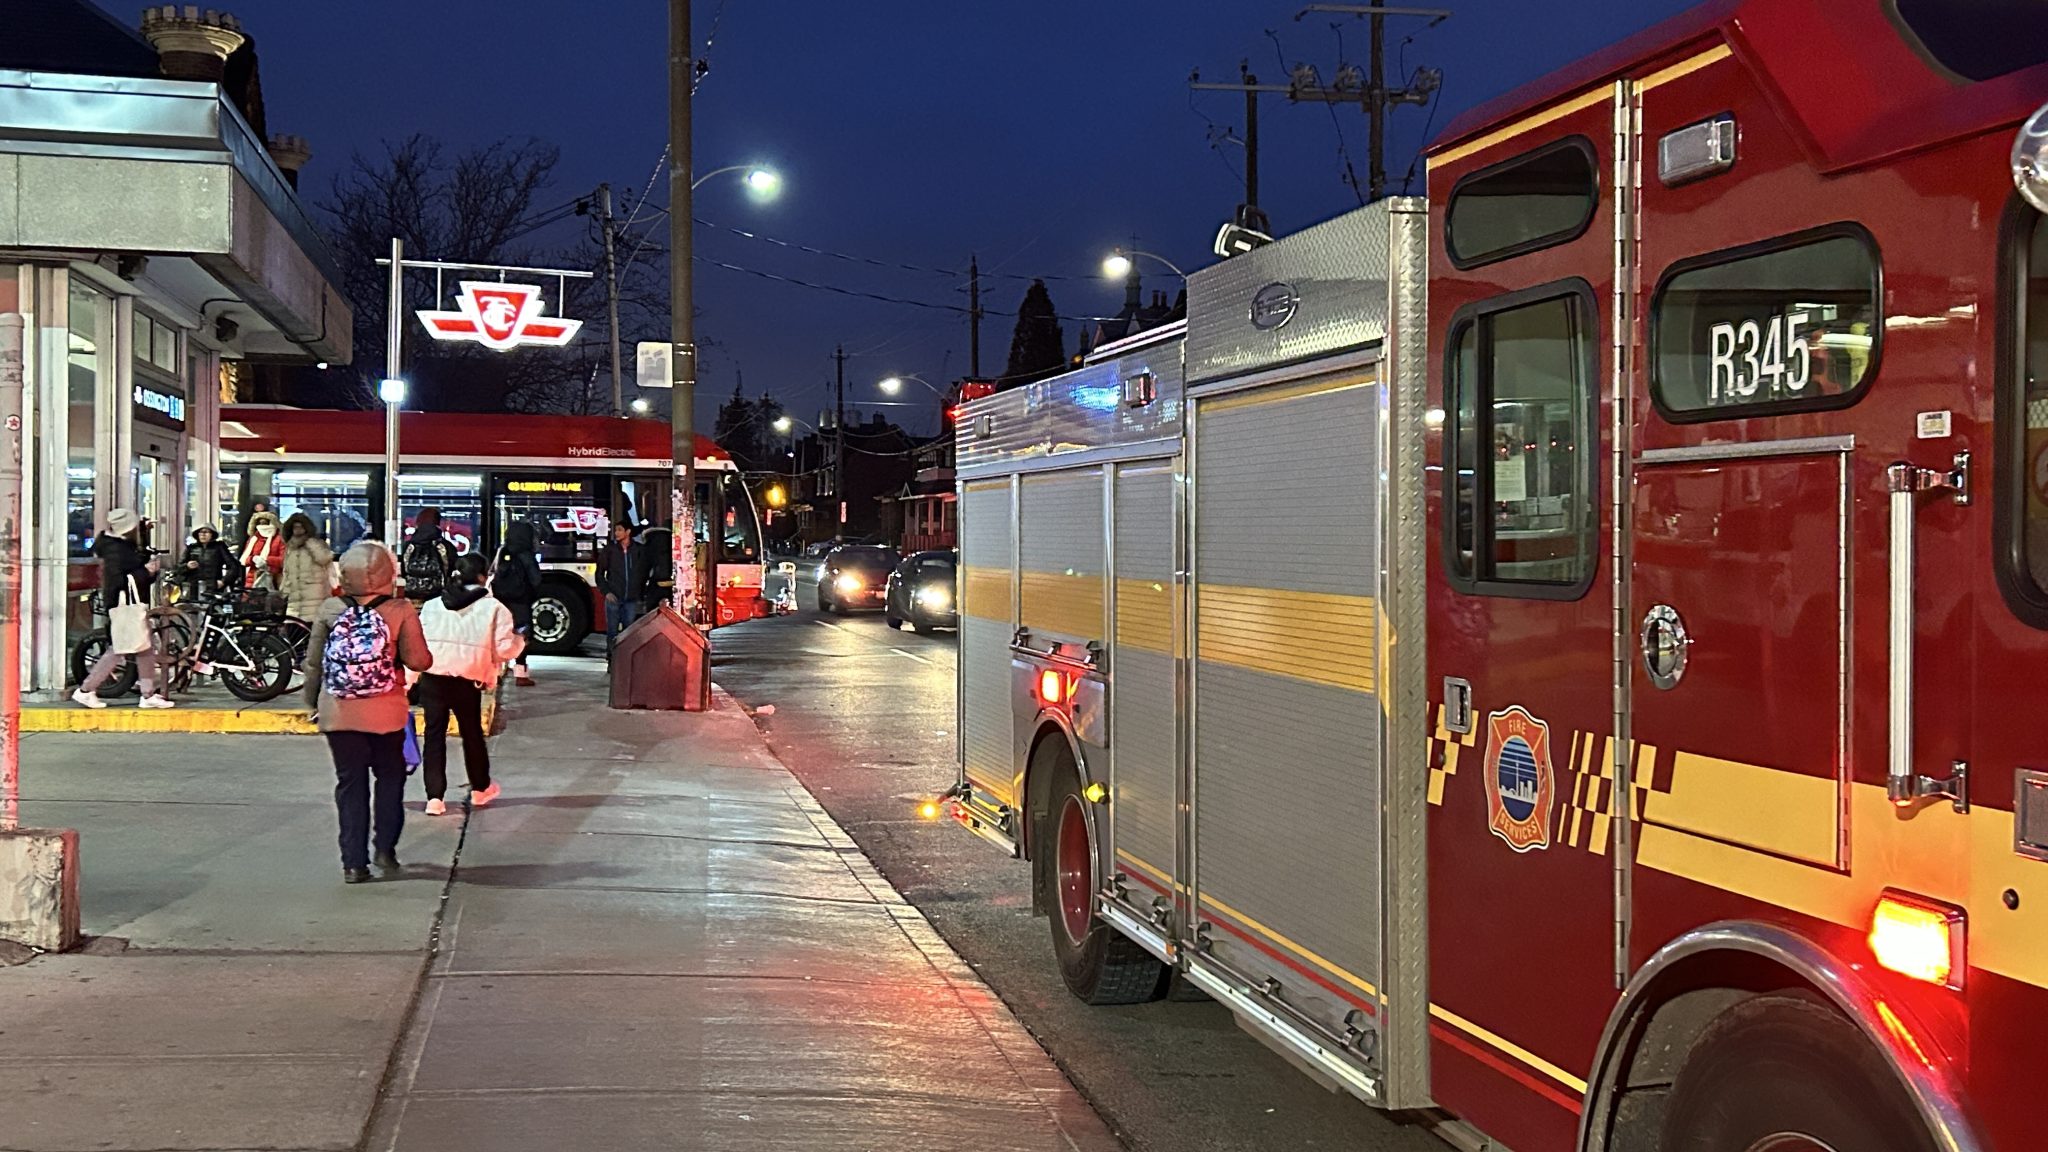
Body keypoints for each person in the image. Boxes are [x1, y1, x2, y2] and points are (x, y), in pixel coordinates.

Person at [303, 541, 432, 884]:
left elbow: (314, 663)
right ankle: (385, 850)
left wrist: (311, 703)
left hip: (339, 712)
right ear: (388, 574)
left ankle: (353, 864)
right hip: (386, 713)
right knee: (390, 780)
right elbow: (420, 660)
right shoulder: (400, 610)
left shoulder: (330, 608)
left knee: (350, 784)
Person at [417, 554, 522, 816]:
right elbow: (504, 650)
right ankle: (480, 788)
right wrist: (521, 642)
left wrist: (409, 680)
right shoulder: (495, 608)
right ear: (482, 577)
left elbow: (419, 646)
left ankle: (435, 798)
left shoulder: (432, 606)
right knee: (472, 734)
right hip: (467, 681)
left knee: (434, 737)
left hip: (433, 678)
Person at [74, 509, 174, 710]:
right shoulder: (116, 550)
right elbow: (119, 580)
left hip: (129, 603)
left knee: (143, 647)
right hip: (125, 604)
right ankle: (86, 689)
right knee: (121, 648)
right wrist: (145, 572)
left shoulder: (114, 546)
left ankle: (147, 694)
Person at [491, 520, 543, 686]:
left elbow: (493, 572)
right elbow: (536, 580)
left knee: (500, 636)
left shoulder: (502, 551)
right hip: (521, 603)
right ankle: (521, 675)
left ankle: (496, 674)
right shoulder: (526, 554)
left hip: (501, 602)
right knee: (522, 637)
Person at [597, 520, 647, 647]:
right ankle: (611, 658)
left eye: (620, 530)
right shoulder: (610, 550)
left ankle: (624, 659)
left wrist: (639, 592)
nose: (616, 533)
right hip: (613, 596)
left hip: (631, 598)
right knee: (612, 632)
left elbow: (642, 572)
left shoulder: (638, 550)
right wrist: (606, 592)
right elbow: (599, 573)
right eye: (616, 530)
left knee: (628, 632)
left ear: (628, 532)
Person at [278, 512, 335, 621]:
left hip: (314, 597)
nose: (298, 530)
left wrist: (311, 543)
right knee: (294, 631)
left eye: (301, 527)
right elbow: (287, 572)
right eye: (295, 527)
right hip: (293, 599)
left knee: (312, 630)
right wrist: (284, 591)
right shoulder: (290, 548)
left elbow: (324, 558)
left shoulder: (315, 544)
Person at [401, 507, 457, 603]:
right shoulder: (445, 546)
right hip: (437, 596)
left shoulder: (408, 545)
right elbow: (451, 569)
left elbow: (404, 570)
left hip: (412, 595)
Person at [179, 525, 240, 598]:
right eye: (200, 532)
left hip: (213, 588)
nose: (203, 534)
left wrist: (223, 581)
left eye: (206, 532)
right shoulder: (192, 548)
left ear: (212, 534)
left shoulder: (219, 547)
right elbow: (178, 568)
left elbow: (234, 567)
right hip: (193, 588)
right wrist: (187, 566)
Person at [240, 510, 285, 590]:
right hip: (251, 580)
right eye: (260, 523)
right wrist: (253, 559)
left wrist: (266, 560)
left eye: (265, 523)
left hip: (273, 580)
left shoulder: (280, 539)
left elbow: (284, 560)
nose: (262, 525)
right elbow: (244, 559)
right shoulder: (253, 539)